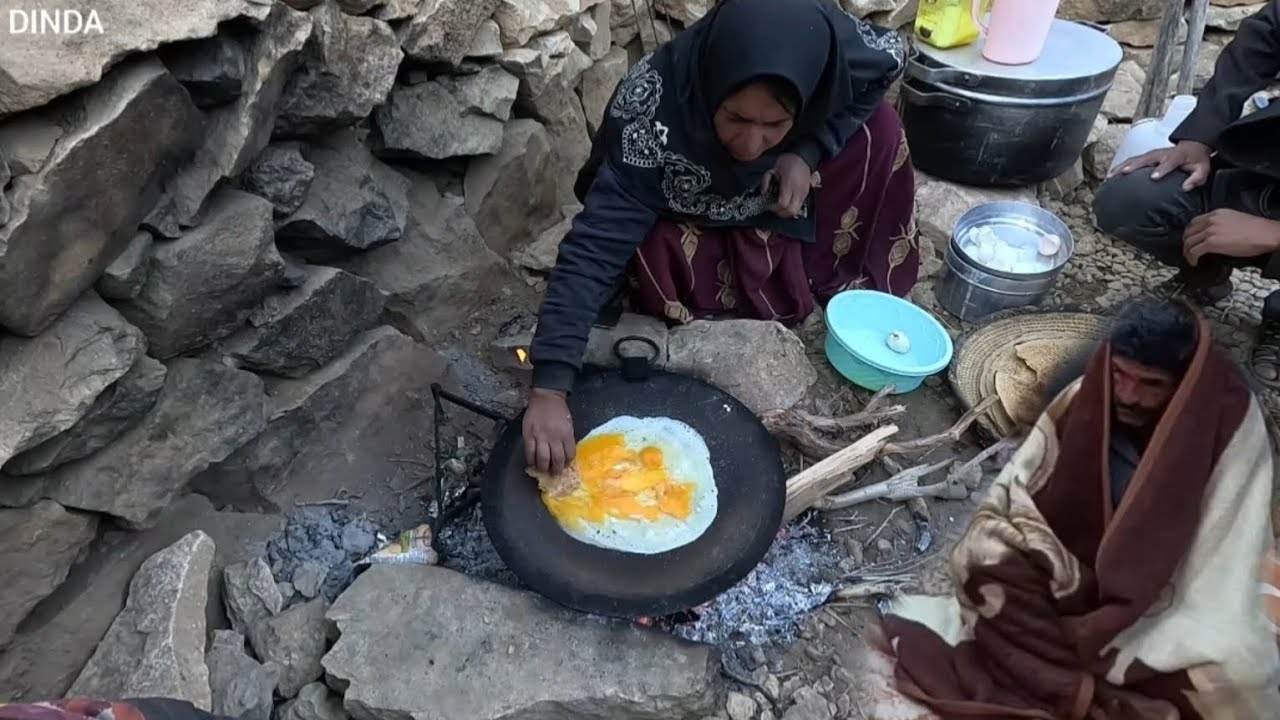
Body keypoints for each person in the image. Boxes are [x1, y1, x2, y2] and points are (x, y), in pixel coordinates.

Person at [522, 0, 918, 473]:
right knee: (646, 244)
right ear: (713, 87)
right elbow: (592, 250)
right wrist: (549, 388)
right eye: (735, 118)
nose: (751, 145)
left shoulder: (837, 51)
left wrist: (805, 151)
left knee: (881, 131)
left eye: (773, 124)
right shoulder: (649, 120)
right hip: (687, 201)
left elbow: (885, 68)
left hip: (785, 182)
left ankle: (821, 272)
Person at [881, 299, 1280, 718]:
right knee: (981, 559)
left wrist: (1134, 598)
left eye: (1150, 384)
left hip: (1171, 585)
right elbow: (1020, 490)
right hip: (1072, 564)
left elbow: (1229, 548)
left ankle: (1076, 679)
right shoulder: (1089, 393)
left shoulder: (1230, 424)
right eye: (1120, 376)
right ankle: (1075, 682)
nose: (1127, 394)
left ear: (1182, 384)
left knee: (1234, 665)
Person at [1093, 0, 1280, 390]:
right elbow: (1265, 32)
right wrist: (1199, 136)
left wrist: (1272, 234)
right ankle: (1206, 273)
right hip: (1266, 177)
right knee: (1132, 197)